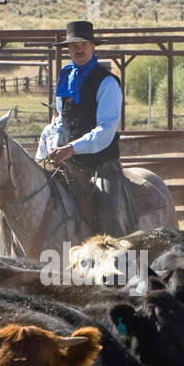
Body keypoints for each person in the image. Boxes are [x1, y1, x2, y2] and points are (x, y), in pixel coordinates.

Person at [40, 20, 136, 235]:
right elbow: (61, 121)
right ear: (68, 50)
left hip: (101, 164)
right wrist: (56, 148)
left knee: (109, 216)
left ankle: (119, 259)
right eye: (73, 45)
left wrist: (71, 148)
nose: (78, 49)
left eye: (83, 44)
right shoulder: (65, 76)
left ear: (93, 47)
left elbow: (105, 130)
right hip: (69, 162)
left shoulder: (107, 82)